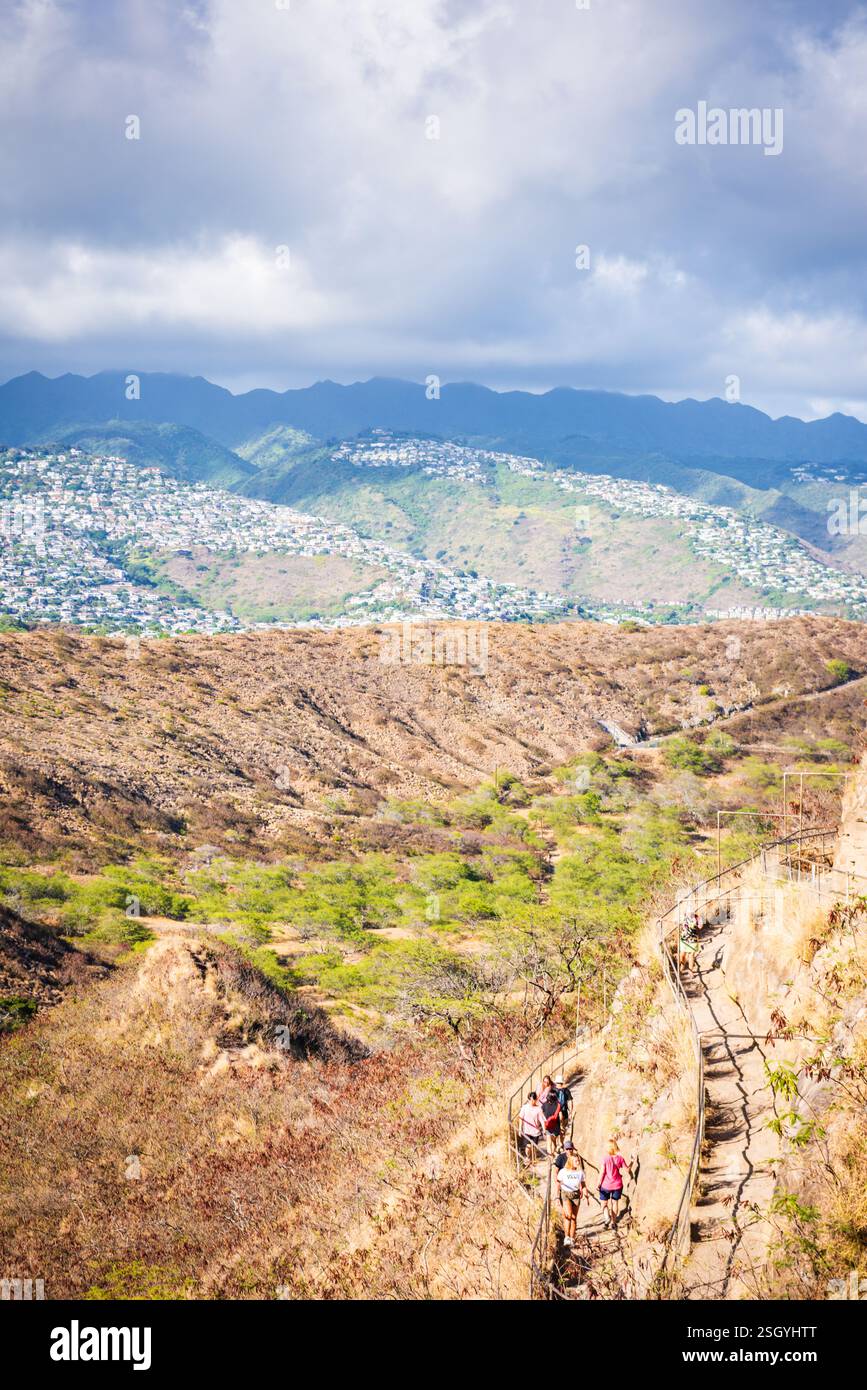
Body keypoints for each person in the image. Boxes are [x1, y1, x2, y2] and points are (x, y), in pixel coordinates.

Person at [555, 1147, 589, 1247]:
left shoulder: (580, 1172)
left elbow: (583, 1185)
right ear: (570, 1161)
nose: (578, 1162)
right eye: (576, 1161)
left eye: (578, 1160)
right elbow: (558, 1184)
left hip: (576, 1195)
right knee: (568, 1215)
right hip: (565, 1194)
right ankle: (566, 1238)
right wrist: (557, 1197)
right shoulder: (563, 1172)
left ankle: (572, 1238)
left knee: (574, 1218)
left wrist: (586, 1194)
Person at [598, 1139, 635, 1228]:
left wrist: (598, 1183)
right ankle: (613, 1223)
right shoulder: (620, 1158)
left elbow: (602, 1172)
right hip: (617, 1185)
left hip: (606, 1185)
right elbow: (627, 1170)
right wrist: (632, 1161)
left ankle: (607, 1217)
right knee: (615, 1203)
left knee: (604, 1203)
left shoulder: (605, 1158)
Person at [517, 1090, 545, 1162]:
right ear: (528, 1099)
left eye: (533, 1100)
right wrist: (520, 1129)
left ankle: (533, 1158)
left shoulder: (538, 1109)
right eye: (530, 1100)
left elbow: (542, 1120)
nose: (531, 1102)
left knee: (533, 1147)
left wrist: (544, 1129)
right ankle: (528, 1157)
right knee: (528, 1146)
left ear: (536, 1100)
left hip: (536, 1131)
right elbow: (521, 1118)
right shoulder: (524, 1107)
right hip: (527, 1130)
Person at [540, 1087, 562, 1154]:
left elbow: (541, 1115)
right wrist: (561, 1125)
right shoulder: (558, 1105)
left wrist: (544, 1123)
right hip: (556, 1125)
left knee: (549, 1141)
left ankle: (550, 1155)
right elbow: (561, 1117)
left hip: (547, 1125)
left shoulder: (544, 1105)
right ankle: (553, 1151)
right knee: (553, 1140)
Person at [554, 1075, 573, 1141]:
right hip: (564, 1111)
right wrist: (570, 1111)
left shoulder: (553, 1091)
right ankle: (560, 1143)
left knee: (558, 1129)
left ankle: (558, 1144)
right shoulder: (566, 1090)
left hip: (555, 1113)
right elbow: (570, 1101)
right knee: (562, 1129)